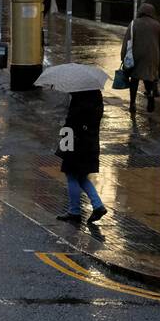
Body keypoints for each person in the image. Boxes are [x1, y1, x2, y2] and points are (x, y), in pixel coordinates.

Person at [56, 89, 108, 224]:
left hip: (76, 143)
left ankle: (74, 211)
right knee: (81, 176)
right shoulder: (96, 97)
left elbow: (72, 121)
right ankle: (98, 206)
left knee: (71, 175)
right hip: (90, 143)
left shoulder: (80, 100)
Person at [122, 2, 160, 113]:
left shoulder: (134, 24)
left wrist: (123, 56)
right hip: (152, 58)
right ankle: (150, 95)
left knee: (134, 80)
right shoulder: (157, 25)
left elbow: (126, 41)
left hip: (136, 57)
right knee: (149, 79)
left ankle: (132, 103)